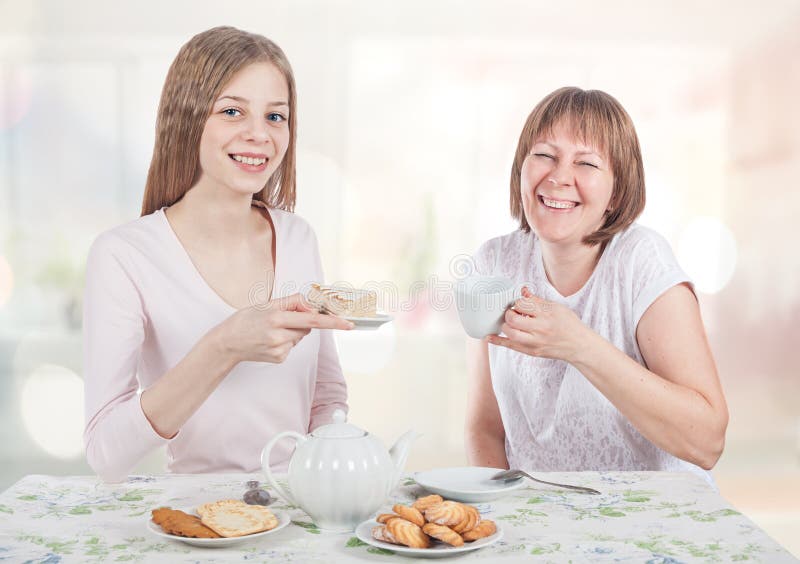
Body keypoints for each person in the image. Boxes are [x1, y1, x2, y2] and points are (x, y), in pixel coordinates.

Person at [83, 27, 353, 483]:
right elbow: (106, 454)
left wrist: (330, 476)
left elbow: (327, 395)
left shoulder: (298, 238)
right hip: (194, 513)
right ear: (186, 118)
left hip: (298, 507)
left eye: (275, 116)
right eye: (232, 111)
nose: (259, 134)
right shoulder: (124, 256)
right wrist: (223, 346)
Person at [464, 87, 728, 481]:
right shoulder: (495, 264)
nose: (559, 177)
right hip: (540, 512)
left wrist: (579, 345)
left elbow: (707, 443)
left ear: (617, 192)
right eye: (544, 155)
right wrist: (501, 507)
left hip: (652, 512)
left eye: (586, 163)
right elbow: (486, 428)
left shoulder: (642, 262)